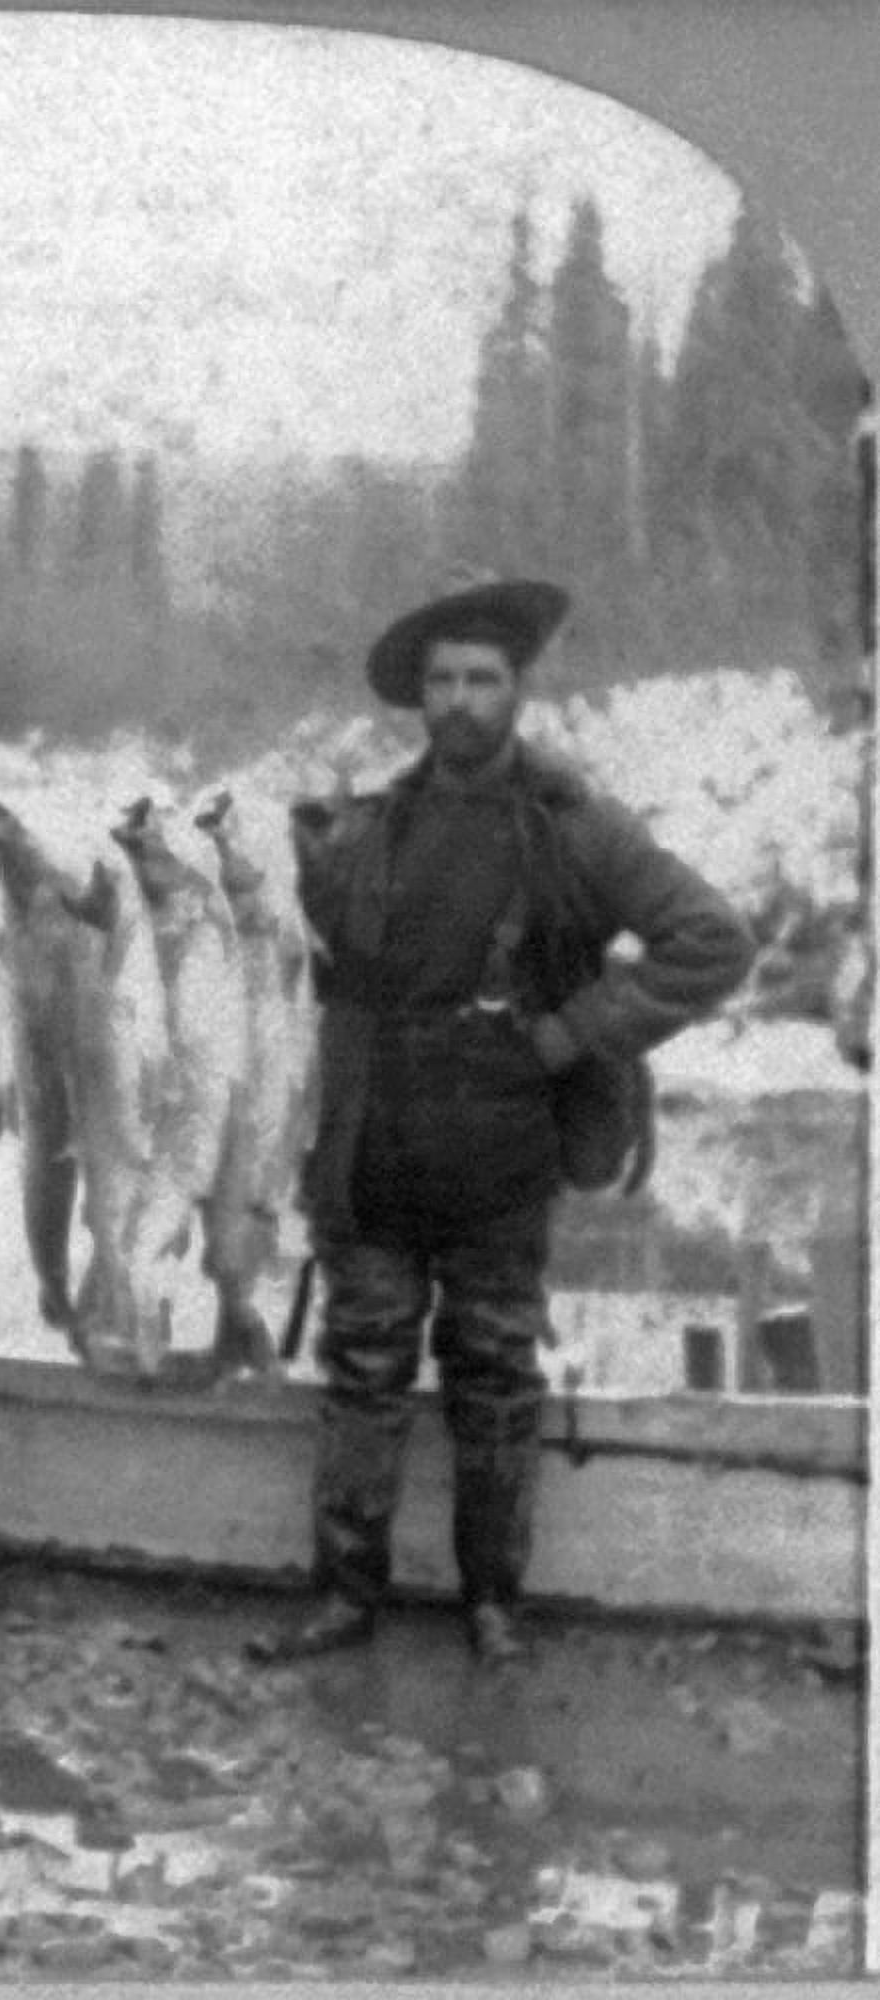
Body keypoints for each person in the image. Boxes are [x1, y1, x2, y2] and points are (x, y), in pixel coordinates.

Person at [256, 576, 755, 1665]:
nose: (459, 700)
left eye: (481, 678)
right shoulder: (372, 824)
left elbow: (712, 941)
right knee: (362, 1365)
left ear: (517, 690)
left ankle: (492, 1602)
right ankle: (344, 1596)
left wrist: (573, 1033)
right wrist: (296, 857)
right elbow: (321, 964)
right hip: (375, 1147)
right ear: (418, 699)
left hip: (501, 1149)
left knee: (492, 1372)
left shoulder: (578, 827)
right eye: (441, 680)